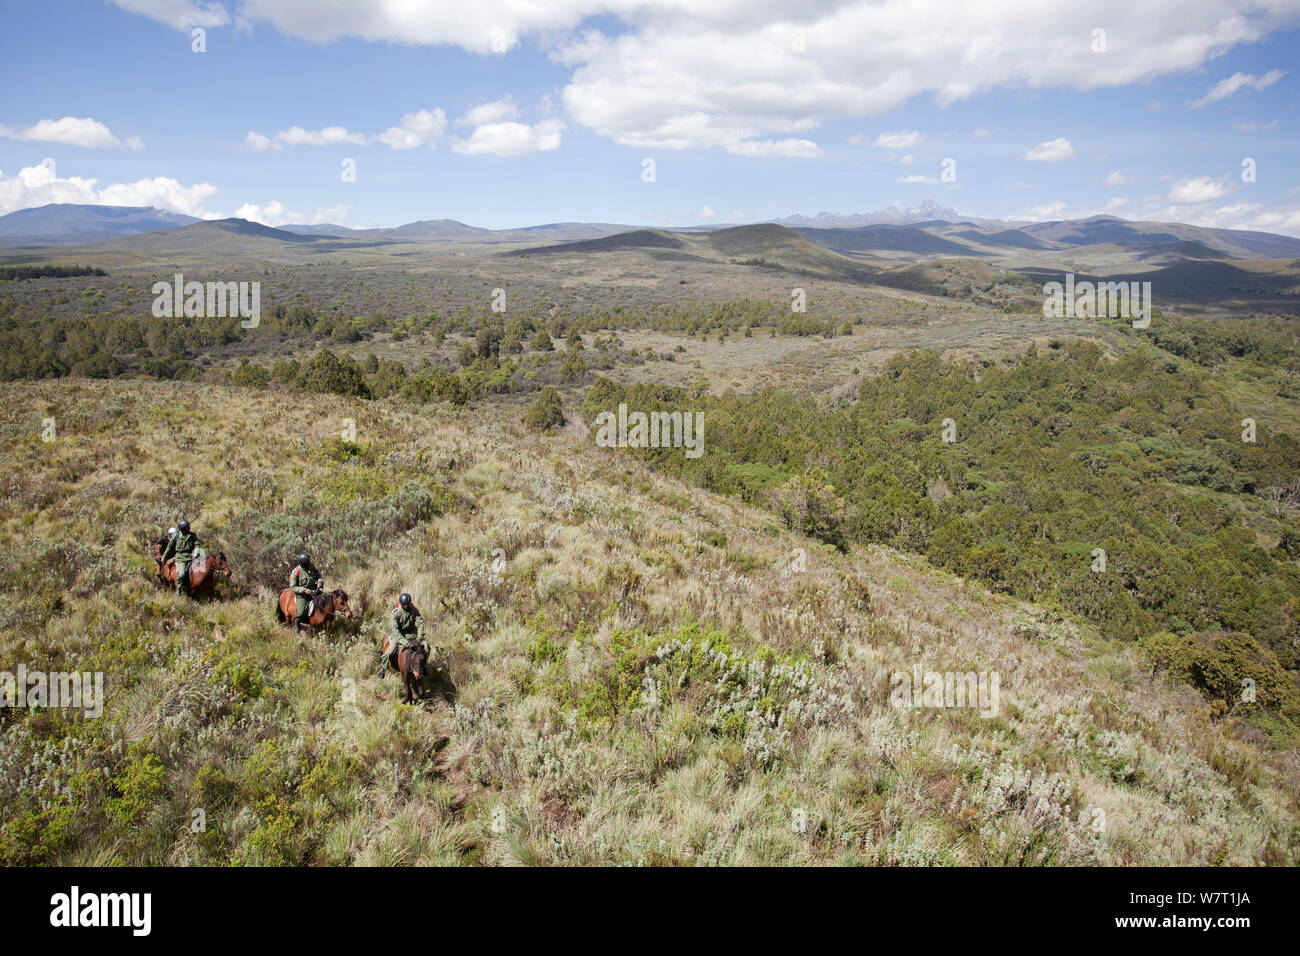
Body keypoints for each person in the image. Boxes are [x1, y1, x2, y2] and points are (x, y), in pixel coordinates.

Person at [379, 592, 425, 678]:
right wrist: (404, 642)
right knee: (389, 653)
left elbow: (420, 623)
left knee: (427, 648)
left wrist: (420, 637)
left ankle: (422, 667)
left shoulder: (414, 610)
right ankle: (382, 668)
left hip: (412, 634)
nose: (406, 606)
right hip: (398, 636)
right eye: (404, 605)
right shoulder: (396, 613)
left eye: (407, 604)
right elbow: (395, 630)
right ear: (401, 604)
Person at [161, 520, 200, 596]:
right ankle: (178, 589)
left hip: (191, 556)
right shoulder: (176, 536)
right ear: (183, 529)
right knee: (181, 573)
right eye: (187, 527)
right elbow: (169, 547)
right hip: (181, 558)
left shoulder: (192, 535)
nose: (189, 528)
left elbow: (197, 545)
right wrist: (164, 557)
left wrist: (195, 553)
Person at [289, 553, 324, 628]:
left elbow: (318, 575)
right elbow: (292, 587)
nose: (310, 563)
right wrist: (304, 590)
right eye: (308, 562)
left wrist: (320, 581)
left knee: (326, 601)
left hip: (314, 590)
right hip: (302, 595)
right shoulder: (296, 571)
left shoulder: (311, 567)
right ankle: (296, 627)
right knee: (300, 612)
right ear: (304, 564)